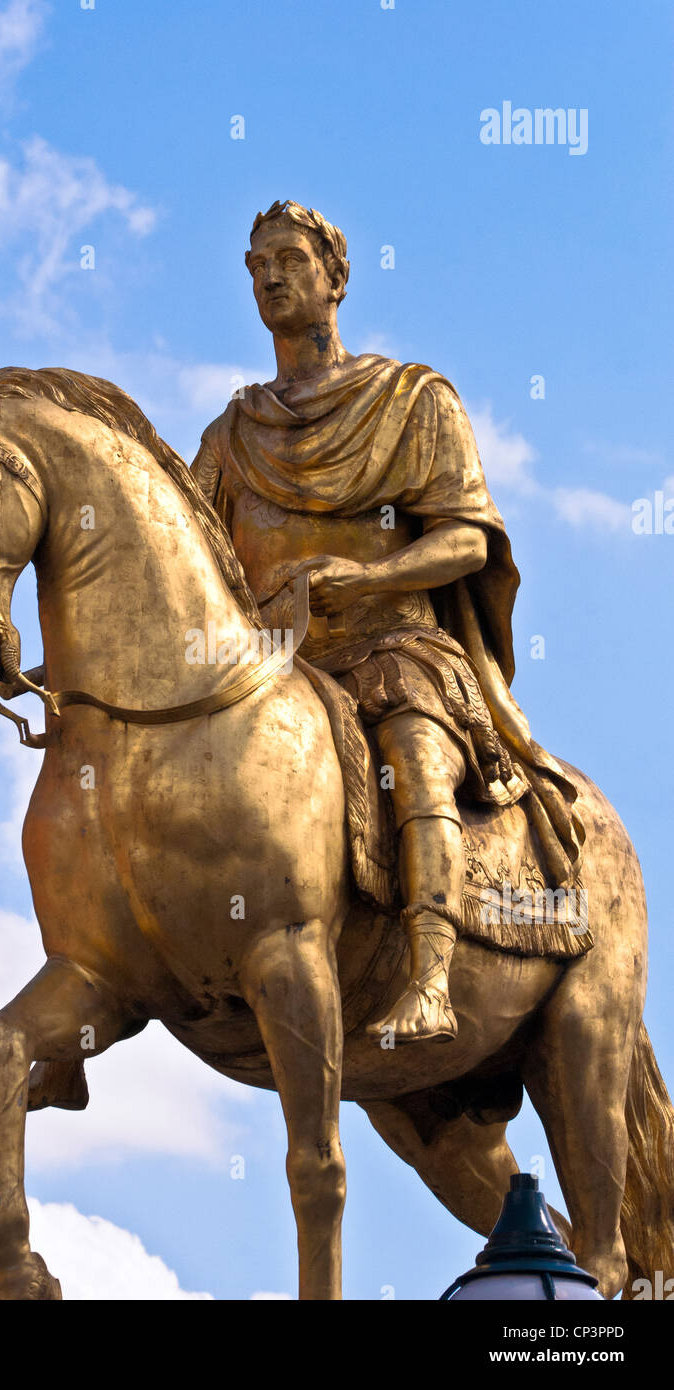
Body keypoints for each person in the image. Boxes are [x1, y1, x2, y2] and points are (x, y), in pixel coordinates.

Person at [191, 200, 582, 1044]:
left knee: (414, 753)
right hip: (271, 667)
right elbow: (190, 563)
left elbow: (469, 539)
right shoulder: (230, 435)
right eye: (256, 263)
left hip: (392, 644)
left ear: (336, 277)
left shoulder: (407, 398)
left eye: (291, 258)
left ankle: (433, 976)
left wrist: (367, 577)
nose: (270, 274)